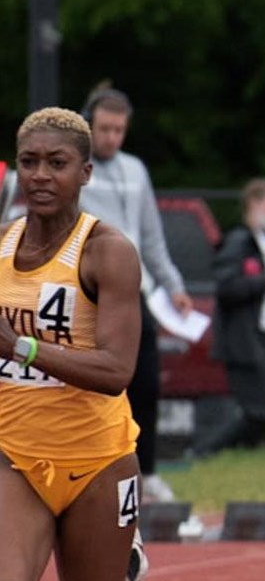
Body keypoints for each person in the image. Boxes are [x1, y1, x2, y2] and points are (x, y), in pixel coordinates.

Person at [0, 108, 149, 581]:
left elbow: (116, 371)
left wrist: (20, 344)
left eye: (57, 163)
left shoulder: (109, 253)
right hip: (14, 454)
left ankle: (127, 565)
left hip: (95, 463)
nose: (41, 176)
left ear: (86, 173)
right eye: (29, 162)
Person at [77, 85, 191, 504]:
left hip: (135, 292)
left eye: (119, 130)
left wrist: (173, 285)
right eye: (104, 128)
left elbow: (152, 236)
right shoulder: (74, 165)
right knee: (96, 384)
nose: (111, 138)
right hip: (88, 290)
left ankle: (150, 471)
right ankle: (93, 472)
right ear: (88, 123)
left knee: (145, 384)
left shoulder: (136, 170)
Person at [193, 178, 265, 455]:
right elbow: (228, 287)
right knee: (260, 412)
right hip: (243, 338)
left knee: (263, 411)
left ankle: (243, 456)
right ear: (255, 204)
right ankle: (204, 451)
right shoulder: (239, 242)